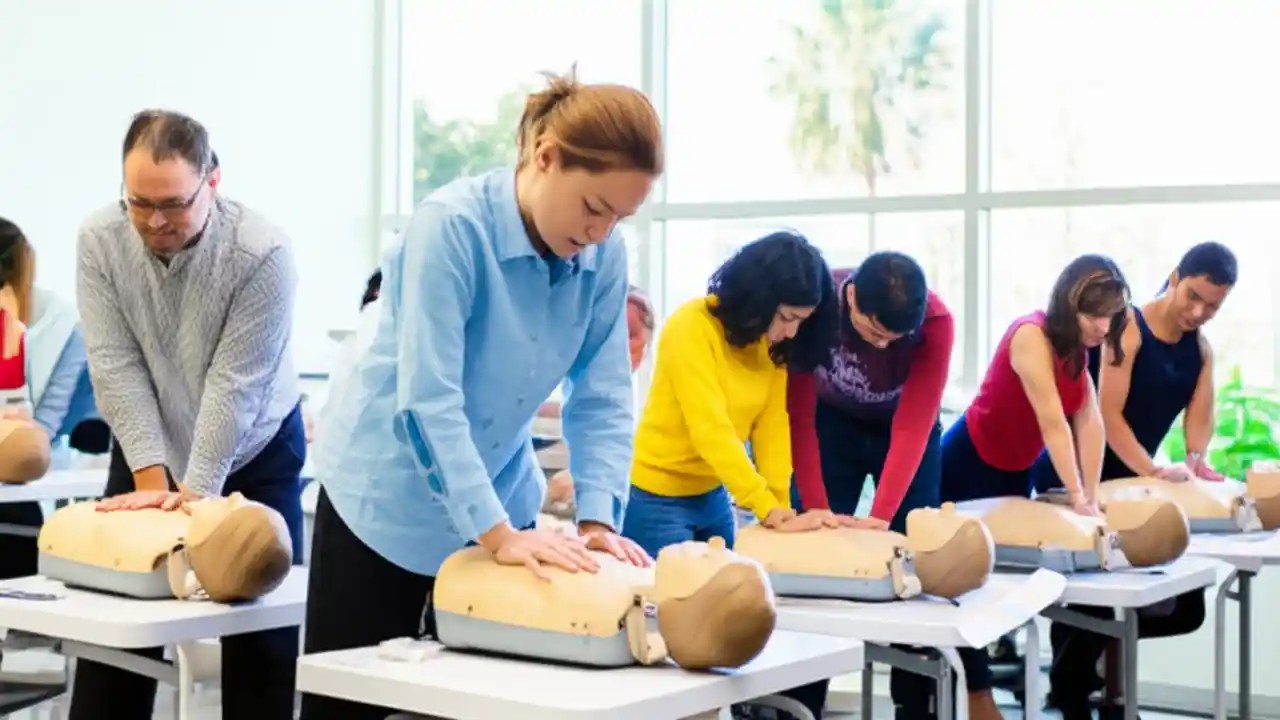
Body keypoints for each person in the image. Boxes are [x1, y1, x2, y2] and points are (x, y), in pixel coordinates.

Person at [300, 70, 660, 720]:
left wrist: (598, 523)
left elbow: (603, 396)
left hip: (499, 498)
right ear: (546, 157)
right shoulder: (451, 229)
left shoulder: (604, 256)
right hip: (383, 502)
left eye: (620, 217)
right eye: (593, 207)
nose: (602, 232)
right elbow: (429, 401)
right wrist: (497, 535)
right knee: (350, 708)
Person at [71, 109, 306, 720]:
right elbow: (114, 364)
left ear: (212, 182)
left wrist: (192, 502)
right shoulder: (100, 239)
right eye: (139, 202)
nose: (155, 221)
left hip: (255, 448)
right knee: (116, 626)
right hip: (146, 441)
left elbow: (235, 387)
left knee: (260, 639)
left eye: (173, 204)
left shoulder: (262, 251)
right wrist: (154, 493)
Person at [1029, 242, 1236, 720]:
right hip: (1082, 475)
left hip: (1133, 481)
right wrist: (1152, 470)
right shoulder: (1128, 327)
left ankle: (1088, 675)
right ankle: (1077, 692)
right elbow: (1106, 414)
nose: (1198, 312)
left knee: (1185, 609)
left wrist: (1196, 460)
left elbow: (1198, 421)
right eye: (1193, 296)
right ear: (1175, 277)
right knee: (1094, 607)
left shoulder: (1200, 349)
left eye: (1212, 306)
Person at [937, 253, 1131, 720]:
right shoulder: (1031, 334)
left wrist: (1092, 496)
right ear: (1069, 305)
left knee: (1003, 589)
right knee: (958, 584)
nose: (1104, 327)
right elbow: (1053, 423)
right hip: (965, 462)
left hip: (1012, 471)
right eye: (1095, 315)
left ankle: (1012, 682)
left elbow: (1089, 421)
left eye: (1111, 316)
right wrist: (1077, 496)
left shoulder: (1078, 349)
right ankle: (977, 695)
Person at [783, 251, 954, 718]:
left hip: (904, 429)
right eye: (874, 332)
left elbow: (914, 424)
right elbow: (799, 415)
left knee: (916, 557)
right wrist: (816, 506)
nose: (881, 347)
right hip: (830, 422)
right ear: (852, 297)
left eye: (893, 340)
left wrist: (881, 517)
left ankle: (914, 706)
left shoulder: (936, 322)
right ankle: (799, 705)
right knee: (813, 552)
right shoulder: (818, 302)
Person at [621, 230, 842, 560]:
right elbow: (710, 429)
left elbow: (772, 428)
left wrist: (780, 505)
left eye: (801, 321)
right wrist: (764, 505)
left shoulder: (768, 344)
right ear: (760, 297)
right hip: (655, 497)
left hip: (713, 495)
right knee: (678, 590)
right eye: (787, 318)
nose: (792, 331)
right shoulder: (690, 326)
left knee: (733, 587)